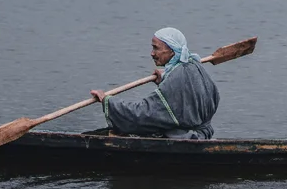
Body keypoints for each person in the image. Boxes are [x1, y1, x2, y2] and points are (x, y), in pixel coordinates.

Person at [90, 28, 220, 139]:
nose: (152, 53)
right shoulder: (194, 66)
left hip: (184, 137)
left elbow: (144, 114)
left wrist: (107, 101)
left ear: (172, 51)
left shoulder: (178, 76)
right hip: (203, 134)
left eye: (155, 48)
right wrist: (165, 77)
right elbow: (187, 93)